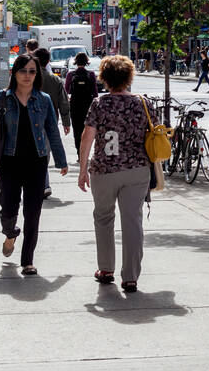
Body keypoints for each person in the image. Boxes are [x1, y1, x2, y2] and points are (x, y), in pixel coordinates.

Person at [0, 53, 68, 274]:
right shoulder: (3, 98)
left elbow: (52, 131)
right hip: (9, 163)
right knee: (8, 208)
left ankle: (28, 260)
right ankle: (10, 234)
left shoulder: (43, 100)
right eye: (23, 71)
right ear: (14, 73)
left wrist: (61, 160)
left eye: (32, 71)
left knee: (33, 212)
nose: (28, 76)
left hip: (36, 163)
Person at [78, 55, 156, 291]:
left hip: (104, 169)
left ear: (104, 79)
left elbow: (87, 137)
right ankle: (130, 276)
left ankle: (106, 269)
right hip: (136, 169)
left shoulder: (99, 104)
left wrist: (83, 170)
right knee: (132, 221)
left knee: (103, 218)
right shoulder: (143, 103)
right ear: (129, 77)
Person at [33, 47, 72, 199]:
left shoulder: (28, 77)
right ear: (48, 61)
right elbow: (64, 102)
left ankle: (41, 184)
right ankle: (44, 184)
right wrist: (66, 122)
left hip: (29, 121)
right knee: (45, 154)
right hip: (50, 121)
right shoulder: (55, 79)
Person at [64, 52, 99, 153]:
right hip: (88, 105)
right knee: (87, 129)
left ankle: (79, 153)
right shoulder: (91, 74)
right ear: (86, 62)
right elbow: (95, 93)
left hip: (75, 104)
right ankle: (86, 152)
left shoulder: (71, 74)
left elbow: (65, 91)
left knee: (77, 130)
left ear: (76, 62)